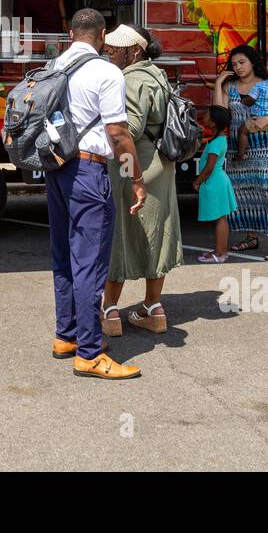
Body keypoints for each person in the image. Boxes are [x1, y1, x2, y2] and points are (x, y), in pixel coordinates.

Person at [46, 8, 146, 379]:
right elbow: (118, 133)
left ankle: (67, 336)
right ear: (102, 35)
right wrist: (135, 177)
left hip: (55, 168)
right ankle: (89, 353)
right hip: (88, 170)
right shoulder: (106, 71)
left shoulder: (54, 66)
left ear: (71, 33)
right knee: (89, 261)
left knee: (63, 255)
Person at [100, 24, 181, 336]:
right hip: (160, 165)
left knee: (120, 237)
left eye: (115, 48)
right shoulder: (157, 74)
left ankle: (109, 311)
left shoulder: (131, 79)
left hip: (134, 167)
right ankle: (153, 308)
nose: (109, 51)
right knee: (156, 237)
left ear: (133, 51)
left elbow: (127, 132)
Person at [214, 44, 268, 261]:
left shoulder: (267, 86)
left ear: (252, 62)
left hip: (265, 148)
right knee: (243, 193)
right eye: (234, 64)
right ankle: (251, 237)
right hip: (236, 149)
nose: (238, 67)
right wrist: (219, 83)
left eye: (242, 62)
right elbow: (219, 115)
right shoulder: (229, 87)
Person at [194, 105, 237, 264]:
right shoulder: (218, 139)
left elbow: (209, 168)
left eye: (206, 115)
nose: (203, 117)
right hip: (219, 180)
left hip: (215, 182)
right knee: (221, 218)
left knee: (220, 219)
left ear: (212, 123)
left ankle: (219, 254)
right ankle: (221, 251)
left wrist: (197, 181)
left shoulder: (216, 143)